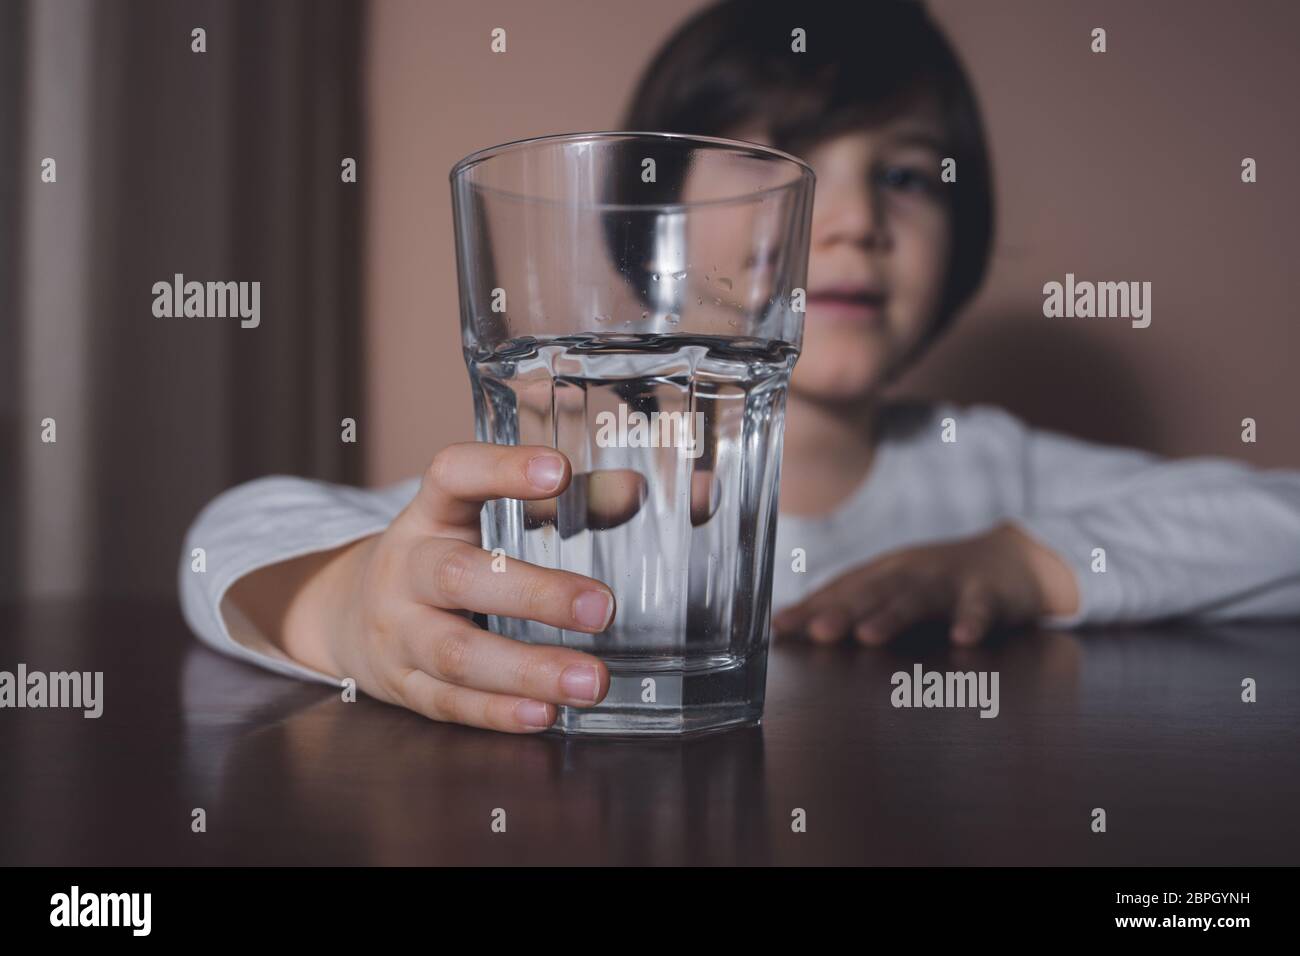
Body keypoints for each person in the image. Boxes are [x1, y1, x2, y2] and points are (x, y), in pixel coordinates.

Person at [179, 0, 1300, 733]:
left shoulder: (992, 471)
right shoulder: (579, 477)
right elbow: (228, 532)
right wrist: (350, 607)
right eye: (785, 168)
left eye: (905, 175)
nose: (848, 218)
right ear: (646, 226)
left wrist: (1026, 564)